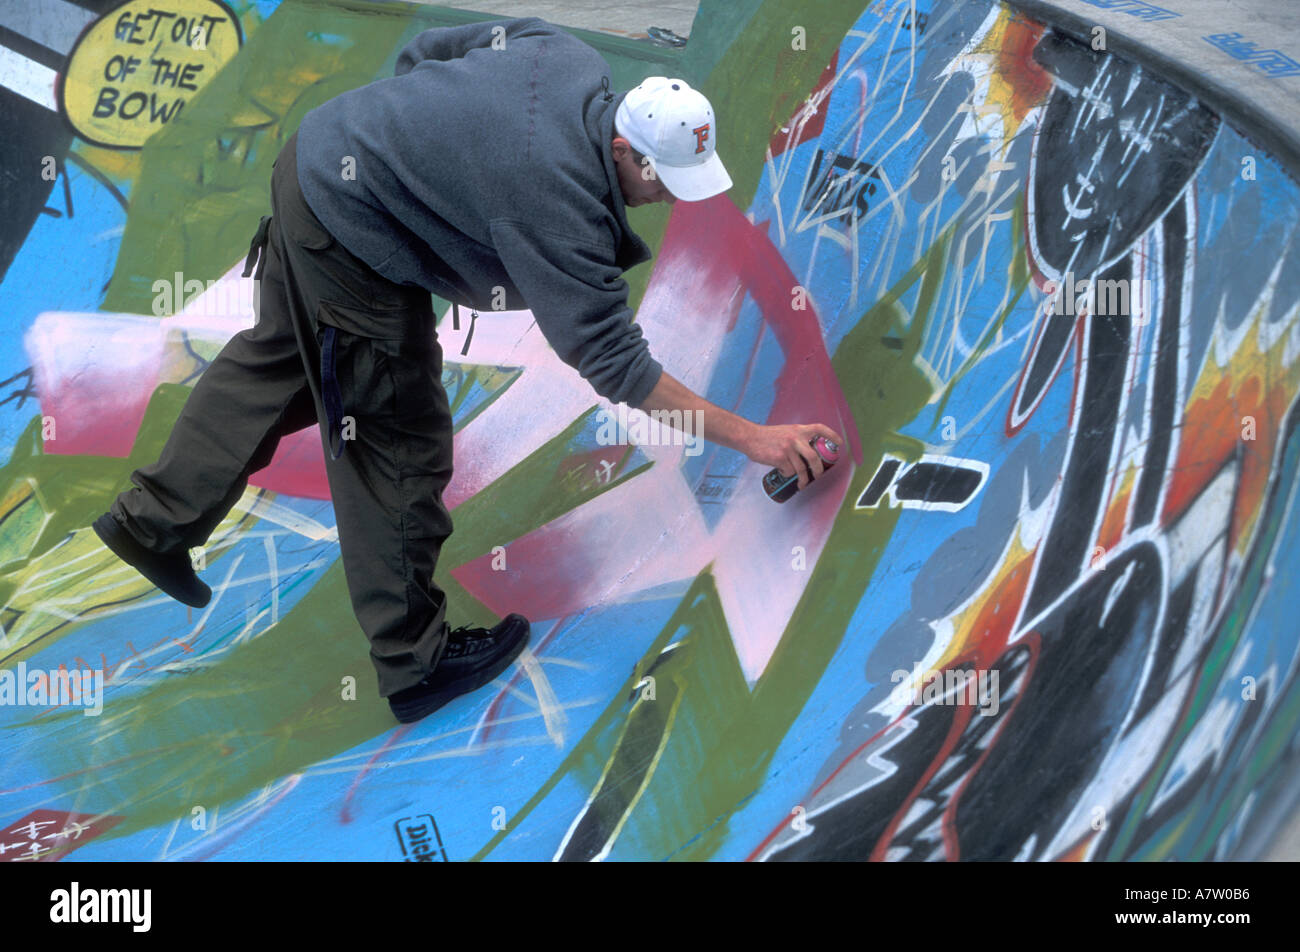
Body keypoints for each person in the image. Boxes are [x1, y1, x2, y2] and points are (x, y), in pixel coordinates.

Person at [92, 17, 843, 725]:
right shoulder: (558, 202)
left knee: (282, 360)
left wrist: (420, 157)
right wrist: (755, 440)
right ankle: (414, 662)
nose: (666, 197)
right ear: (623, 149)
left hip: (320, 157)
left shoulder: (567, 59)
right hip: (353, 231)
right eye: (662, 179)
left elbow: (426, 52)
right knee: (395, 439)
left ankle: (154, 523)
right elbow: (613, 362)